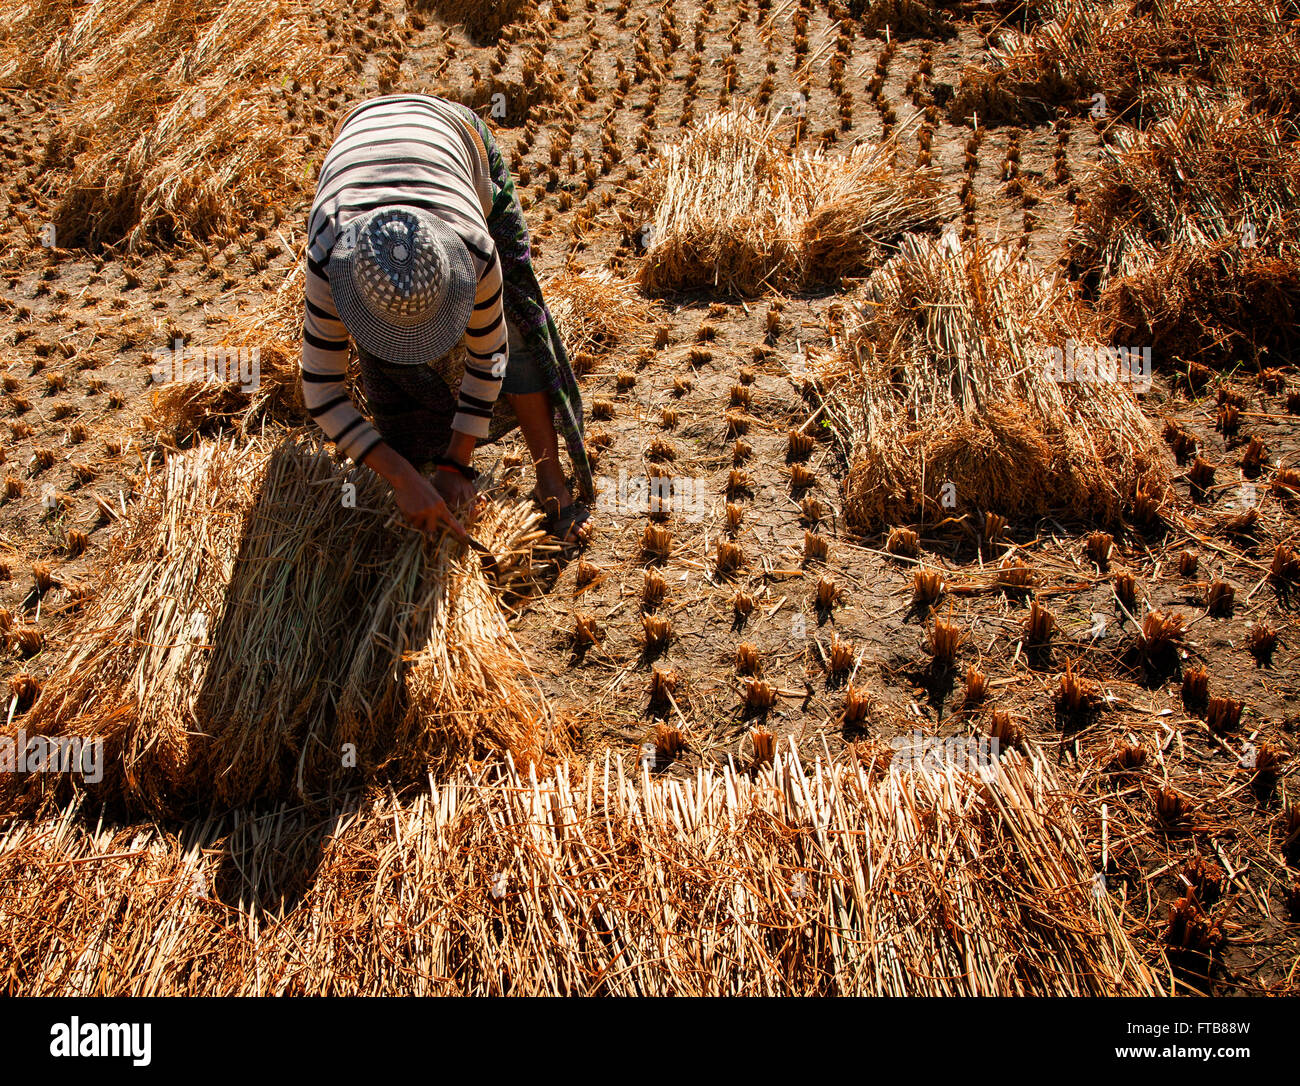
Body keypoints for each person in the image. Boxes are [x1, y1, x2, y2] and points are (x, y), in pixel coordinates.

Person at [300, 93, 593, 544]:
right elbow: (320, 389)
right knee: (390, 374)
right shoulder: (330, 260)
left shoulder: (473, 247)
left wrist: (458, 461)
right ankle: (419, 472)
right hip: (359, 140)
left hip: (452, 137)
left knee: (514, 322)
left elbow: (492, 356)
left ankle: (551, 480)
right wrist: (399, 476)